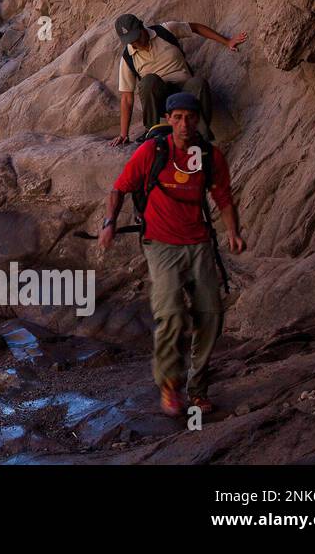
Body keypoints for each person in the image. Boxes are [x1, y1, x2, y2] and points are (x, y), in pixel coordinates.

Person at [100, 91, 245, 417]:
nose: (184, 124)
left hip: (198, 244)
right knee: (172, 314)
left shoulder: (208, 155)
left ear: (198, 120)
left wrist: (233, 232)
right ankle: (169, 385)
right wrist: (109, 223)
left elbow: (223, 198)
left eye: (190, 117)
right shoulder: (153, 151)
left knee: (211, 314)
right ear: (167, 120)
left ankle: (198, 388)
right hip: (160, 244)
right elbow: (119, 189)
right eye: (177, 117)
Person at [109, 13, 247, 145]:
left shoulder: (165, 30)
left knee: (199, 82)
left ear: (141, 26)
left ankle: (200, 137)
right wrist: (123, 134)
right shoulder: (128, 57)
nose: (135, 43)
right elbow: (127, 98)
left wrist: (227, 41)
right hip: (162, 101)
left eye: (137, 37)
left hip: (186, 90)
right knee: (147, 81)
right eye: (130, 41)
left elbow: (195, 28)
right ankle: (153, 131)